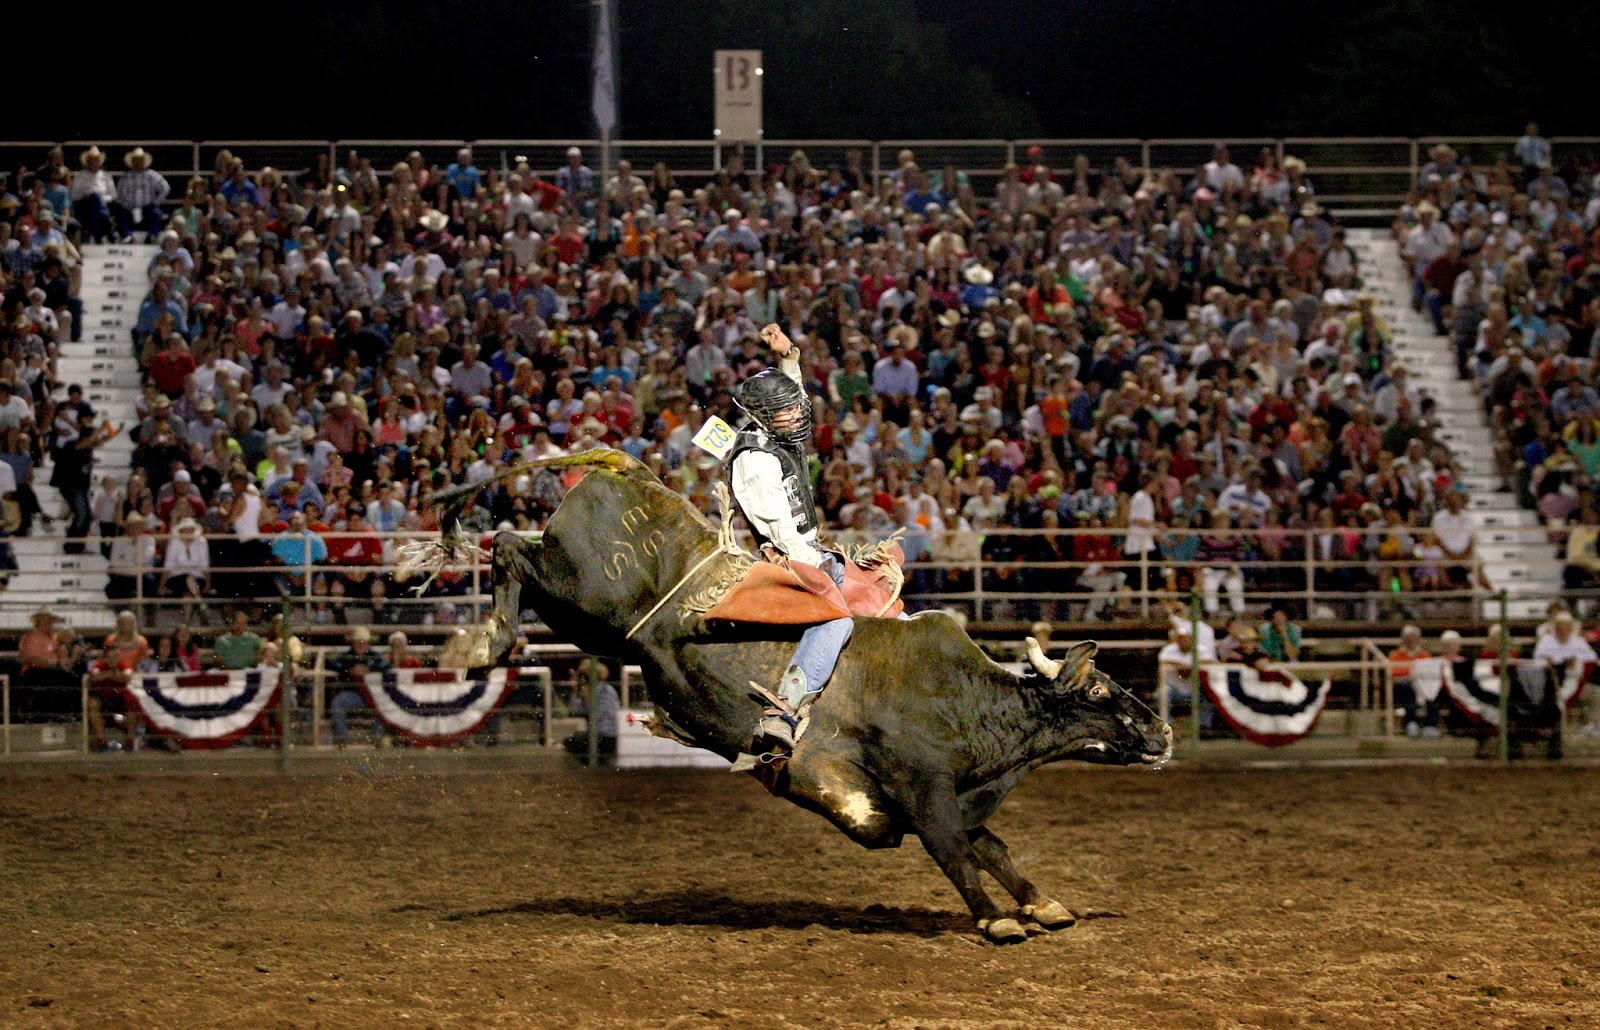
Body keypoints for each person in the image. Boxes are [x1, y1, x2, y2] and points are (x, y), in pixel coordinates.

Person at [728, 324, 854, 760]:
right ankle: (782, 711)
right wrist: (820, 573)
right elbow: (781, 529)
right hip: (785, 561)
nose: (798, 415)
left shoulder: (776, 433)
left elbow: (791, 395)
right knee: (838, 619)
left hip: (806, 550)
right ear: (763, 417)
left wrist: (789, 358)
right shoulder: (756, 460)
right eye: (787, 412)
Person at [87, 611, 150, 751]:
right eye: (123, 623)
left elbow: (131, 673)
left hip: (128, 686)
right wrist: (112, 674)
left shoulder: (140, 643)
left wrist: (111, 675)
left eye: (129, 623)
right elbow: (95, 675)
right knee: (92, 703)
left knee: (133, 700)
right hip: (105, 694)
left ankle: (130, 740)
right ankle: (102, 741)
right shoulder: (109, 643)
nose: (126, 626)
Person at [329, 626, 391, 746]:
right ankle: (341, 739)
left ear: (368, 643)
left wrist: (371, 669)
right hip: (352, 693)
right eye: (359, 642)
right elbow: (332, 664)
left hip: (372, 694)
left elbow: (386, 667)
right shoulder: (346, 656)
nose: (361, 645)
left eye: (364, 642)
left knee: (384, 704)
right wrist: (349, 670)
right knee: (337, 703)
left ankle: (377, 738)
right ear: (353, 643)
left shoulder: (375, 656)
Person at [563, 657, 619, 763]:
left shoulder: (599, 690)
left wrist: (585, 697)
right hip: (608, 737)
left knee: (571, 742)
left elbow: (595, 713)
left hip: (604, 737)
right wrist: (577, 691)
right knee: (575, 739)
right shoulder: (608, 689)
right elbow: (575, 710)